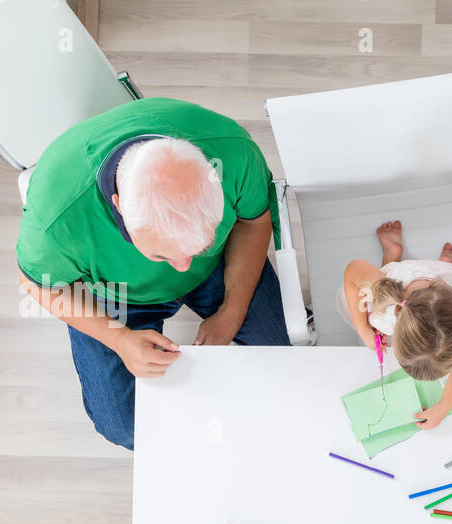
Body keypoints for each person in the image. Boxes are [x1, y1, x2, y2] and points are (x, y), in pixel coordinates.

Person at [16, 97, 291, 450]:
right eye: (163, 253)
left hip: (222, 262)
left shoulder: (234, 153)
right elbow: (40, 285)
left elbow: (253, 224)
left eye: (197, 246)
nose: (183, 267)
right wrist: (119, 339)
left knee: (284, 359)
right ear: (119, 205)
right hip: (114, 293)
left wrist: (232, 312)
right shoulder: (56, 218)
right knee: (125, 427)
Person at [339, 220, 452, 429]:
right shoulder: (383, 297)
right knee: (362, 298)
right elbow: (353, 270)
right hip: (397, 278)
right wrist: (362, 328)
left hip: (441, 281)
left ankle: (447, 265)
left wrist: (445, 406)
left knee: (435, 282)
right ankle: (394, 257)